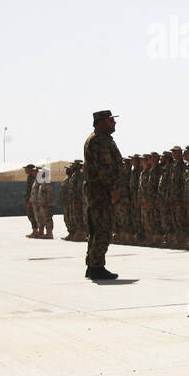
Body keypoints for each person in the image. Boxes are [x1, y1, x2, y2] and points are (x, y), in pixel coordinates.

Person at [82, 110, 123, 279]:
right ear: (101, 122)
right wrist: (112, 188)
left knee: (98, 229)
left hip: (98, 191)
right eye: (110, 120)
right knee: (102, 229)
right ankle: (96, 266)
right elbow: (104, 169)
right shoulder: (99, 141)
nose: (114, 123)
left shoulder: (99, 139)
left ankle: (93, 265)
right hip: (101, 192)